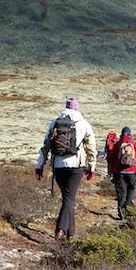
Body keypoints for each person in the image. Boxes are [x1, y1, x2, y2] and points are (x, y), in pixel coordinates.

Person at [35, 97, 97, 241]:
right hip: (76, 165)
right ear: (78, 108)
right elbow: (91, 148)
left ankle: (71, 233)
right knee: (69, 198)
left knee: (68, 198)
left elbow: (45, 146)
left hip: (58, 165)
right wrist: (92, 167)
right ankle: (60, 230)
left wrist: (39, 166)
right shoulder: (84, 124)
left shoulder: (55, 123)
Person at [108, 126, 136, 220]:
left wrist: (110, 171)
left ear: (121, 134)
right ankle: (127, 204)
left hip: (118, 172)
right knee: (132, 188)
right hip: (132, 171)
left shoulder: (117, 144)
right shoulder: (135, 144)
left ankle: (121, 209)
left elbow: (111, 159)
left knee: (121, 191)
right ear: (130, 134)